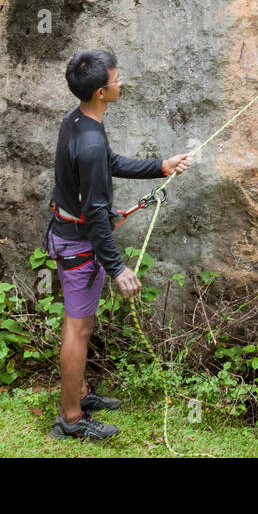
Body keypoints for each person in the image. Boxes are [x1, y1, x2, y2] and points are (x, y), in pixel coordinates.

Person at [46, 49, 193, 440]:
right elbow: (95, 213)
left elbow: (108, 162)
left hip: (70, 237)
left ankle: (78, 393)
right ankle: (71, 419)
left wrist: (160, 166)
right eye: (115, 79)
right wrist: (118, 268)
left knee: (82, 324)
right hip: (79, 245)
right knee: (77, 329)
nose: (121, 82)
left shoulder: (79, 122)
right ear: (99, 91)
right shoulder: (89, 140)